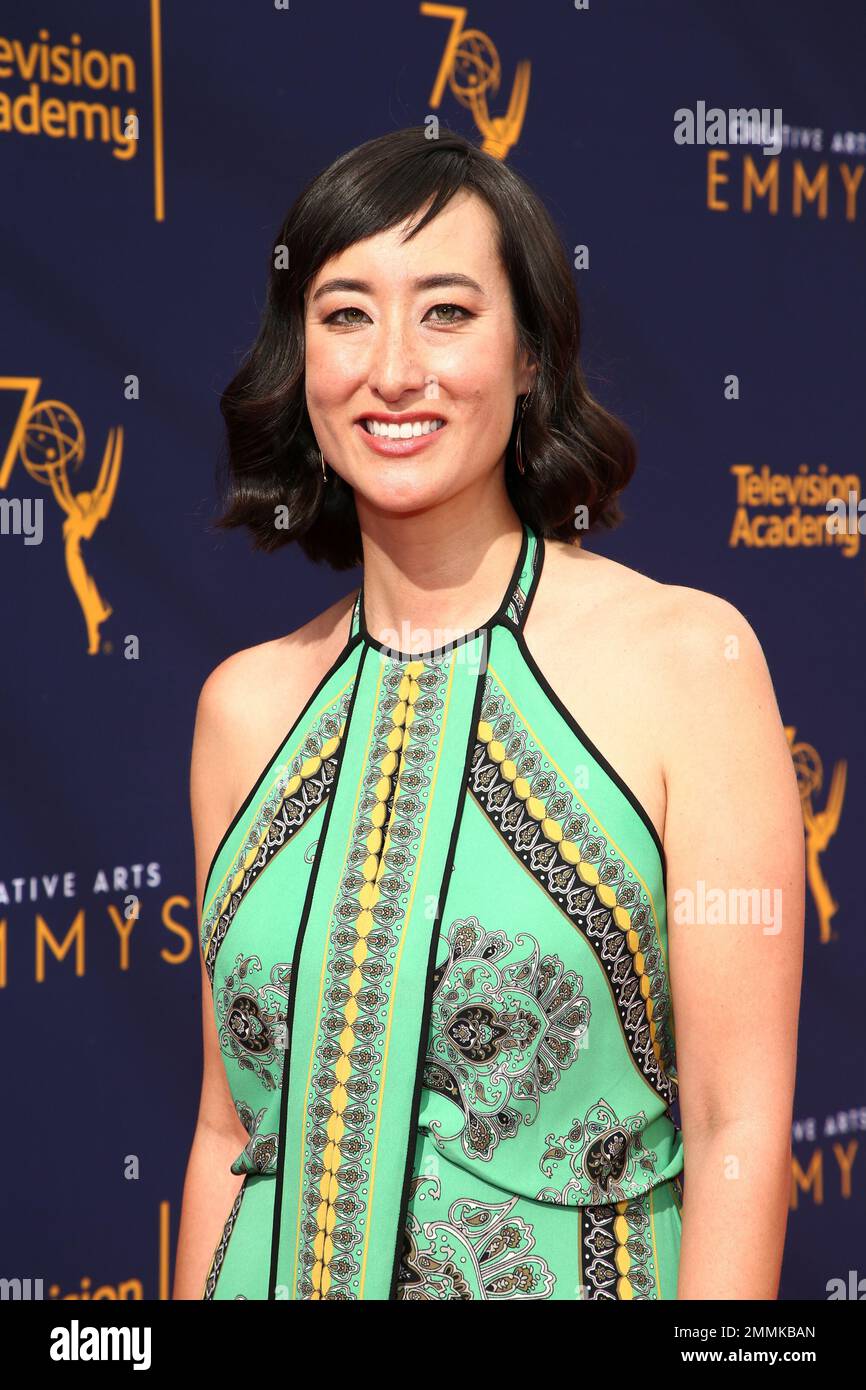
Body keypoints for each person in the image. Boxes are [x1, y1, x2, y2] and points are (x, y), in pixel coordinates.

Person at [172, 127, 804, 1301]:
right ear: (297, 357)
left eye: (447, 312)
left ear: (528, 357)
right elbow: (226, 1132)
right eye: (345, 313)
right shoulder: (243, 709)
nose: (393, 368)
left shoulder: (687, 661)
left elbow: (735, 1131)